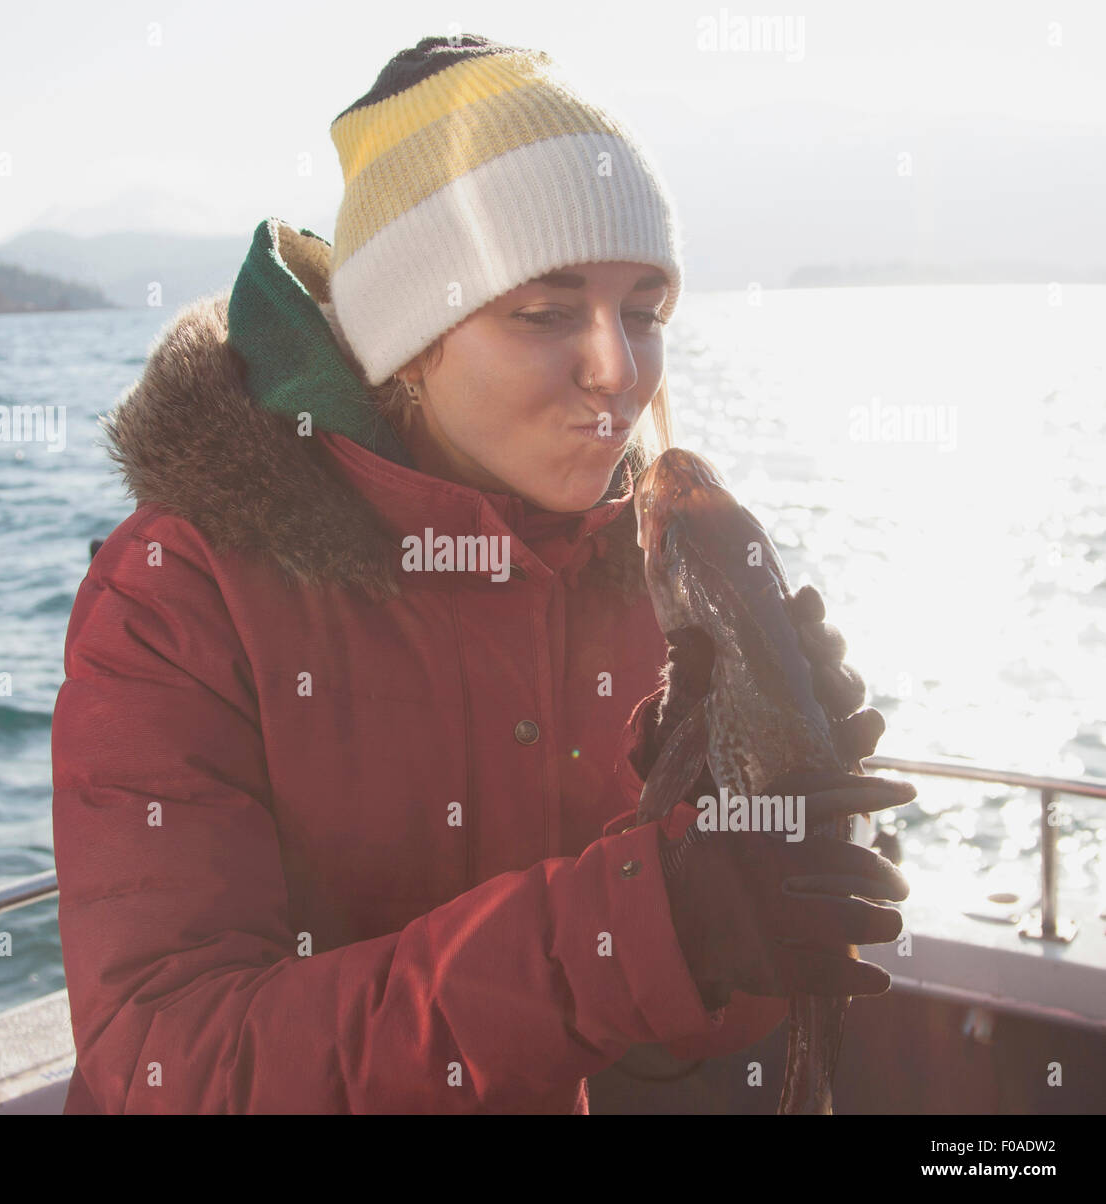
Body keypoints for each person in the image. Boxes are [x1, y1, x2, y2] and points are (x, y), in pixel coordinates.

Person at [50, 33, 913, 1115]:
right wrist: (651, 921)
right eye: (545, 312)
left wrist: (743, 836)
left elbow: (656, 1043)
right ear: (405, 340)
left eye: (643, 311)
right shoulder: (180, 592)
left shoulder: (636, 574)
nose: (618, 370)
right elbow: (170, 1068)